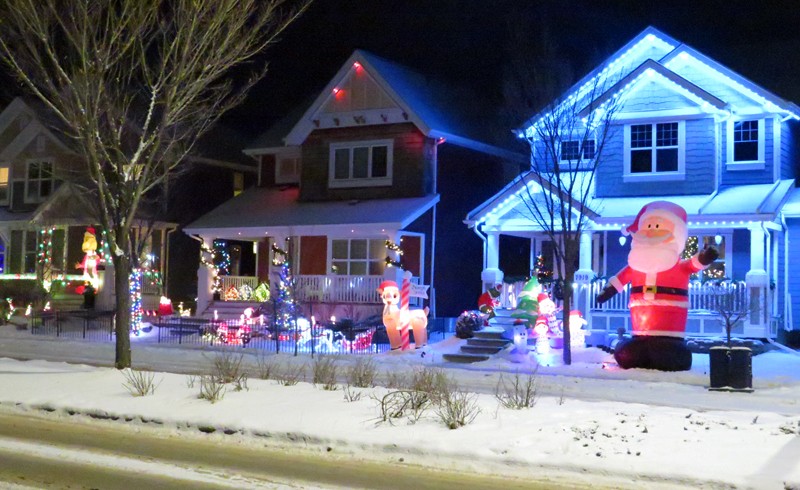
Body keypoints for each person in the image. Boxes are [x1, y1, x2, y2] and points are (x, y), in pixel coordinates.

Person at [596, 201, 718, 371]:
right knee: (628, 353)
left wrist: (705, 257)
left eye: (658, 226)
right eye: (648, 226)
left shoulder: (678, 266)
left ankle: (671, 353)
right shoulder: (635, 265)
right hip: (640, 334)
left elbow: (693, 264)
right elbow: (619, 280)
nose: (652, 231)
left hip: (670, 332)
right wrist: (607, 291)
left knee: (668, 355)